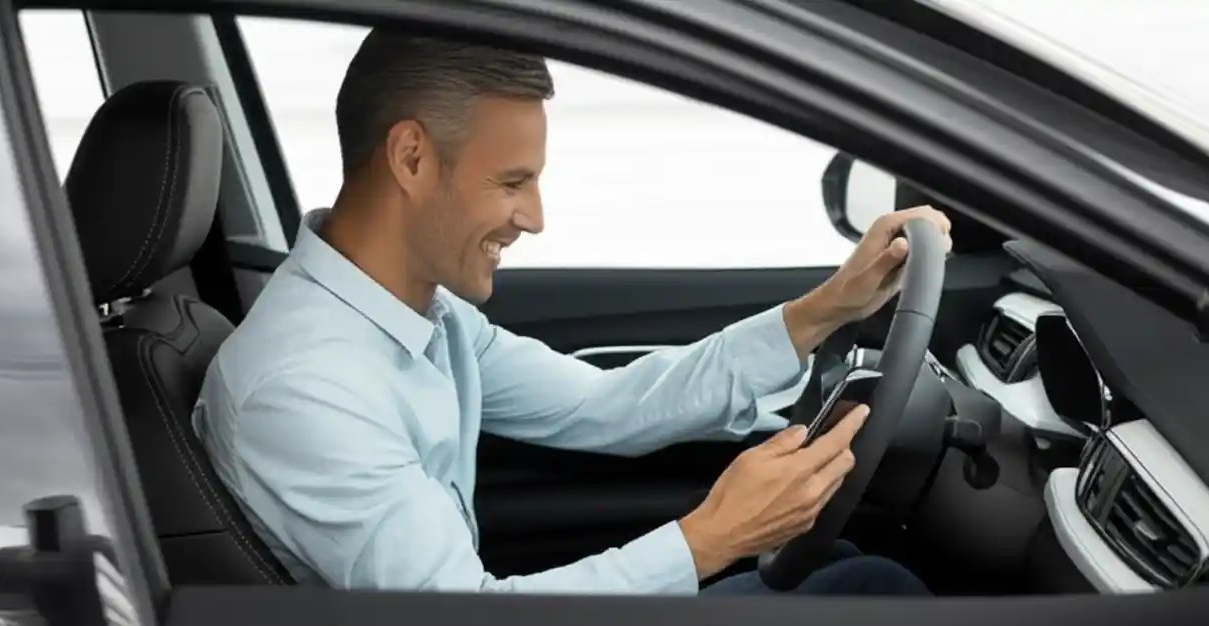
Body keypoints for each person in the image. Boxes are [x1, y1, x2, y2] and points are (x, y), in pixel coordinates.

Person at [193, 29, 951, 596]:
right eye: (512, 182)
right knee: (871, 593)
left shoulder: (418, 315)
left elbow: (608, 404)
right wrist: (709, 539)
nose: (535, 218)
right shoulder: (306, 388)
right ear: (412, 158)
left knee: (850, 570)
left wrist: (826, 309)